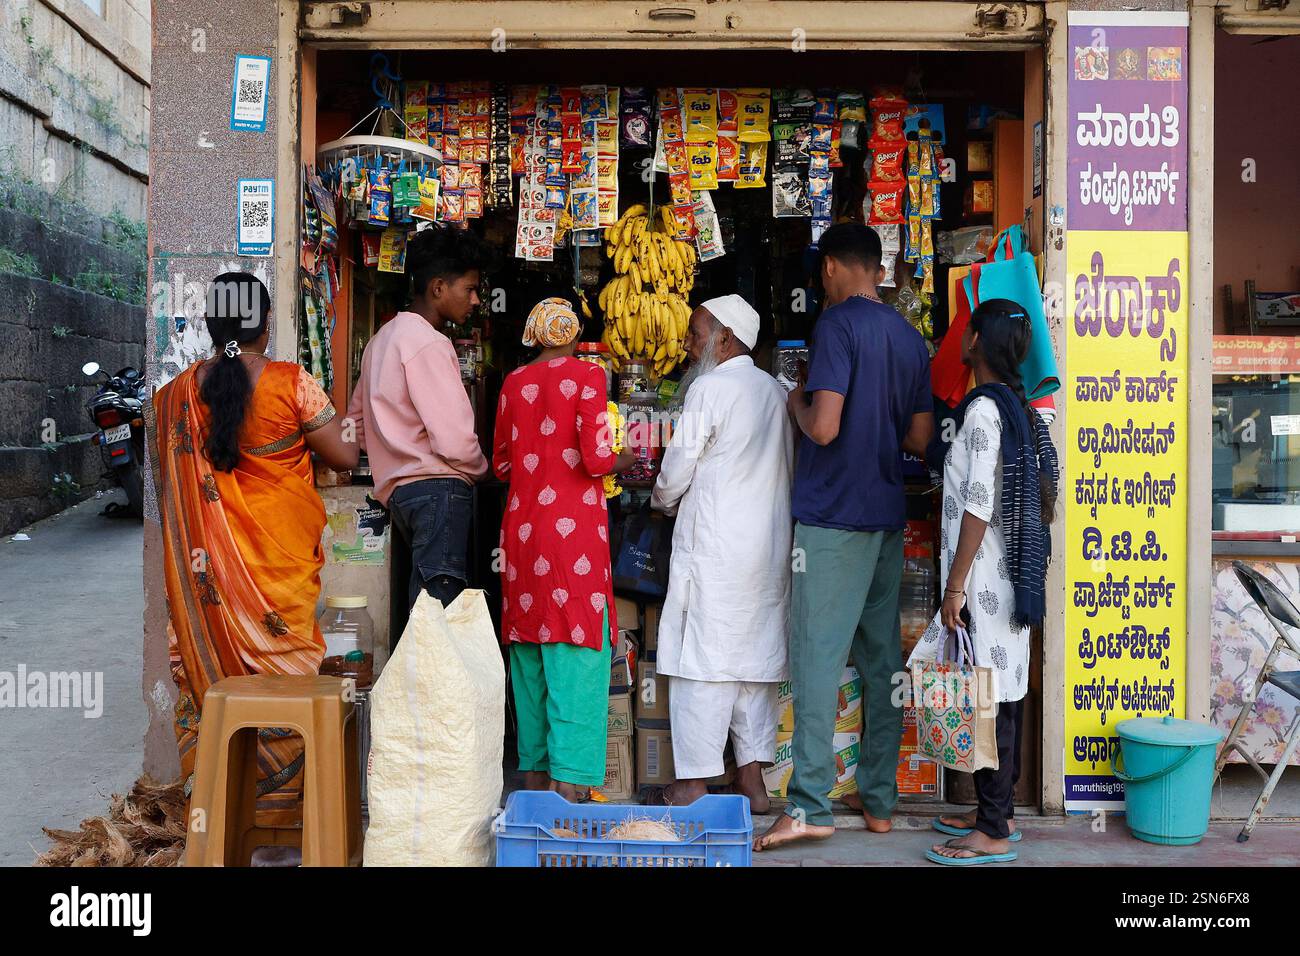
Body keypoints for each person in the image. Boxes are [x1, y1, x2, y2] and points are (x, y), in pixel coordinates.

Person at [152, 272, 358, 824]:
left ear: (211, 324)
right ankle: (281, 825)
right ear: (265, 323)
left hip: (206, 585)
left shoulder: (172, 398)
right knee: (285, 694)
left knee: (211, 692)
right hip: (279, 585)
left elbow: (172, 488)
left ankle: (216, 820)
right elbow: (342, 455)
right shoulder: (292, 384)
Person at [755, 223, 934, 852]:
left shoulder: (835, 326)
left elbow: (824, 428)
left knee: (816, 661)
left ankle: (808, 804)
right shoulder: (911, 340)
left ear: (831, 267)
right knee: (882, 662)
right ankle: (880, 800)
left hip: (832, 523)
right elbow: (918, 440)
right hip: (886, 518)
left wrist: (795, 402)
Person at [909, 298, 1059, 865]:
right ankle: (999, 814)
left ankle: (992, 829)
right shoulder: (1020, 407)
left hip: (982, 580)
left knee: (986, 700)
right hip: (1013, 578)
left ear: (975, 342)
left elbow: (976, 504)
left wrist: (954, 587)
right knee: (1005, 693)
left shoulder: (981, 413)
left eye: (965, 332)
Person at [646, 295, 793, 812]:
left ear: (725, 338)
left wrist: (660, 500)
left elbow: (675, 471)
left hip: (715, 546)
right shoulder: (775, 392)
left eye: (695, 332)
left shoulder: (709, 388)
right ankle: (752, 782)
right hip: (767, 548)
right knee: (752, 664)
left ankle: (693, 782)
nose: (688, 343)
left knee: (701, 663)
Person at [493, 297, 635, 801]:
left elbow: (503, 466)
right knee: (576, 648)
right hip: (573, 532)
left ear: (534, 335)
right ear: (574, 337)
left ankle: (532, 782)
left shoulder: (512, 384)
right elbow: (597, 459)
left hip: (523, 535)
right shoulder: (588, 378)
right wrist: (627, 458)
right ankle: (570, 788)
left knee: (530, 651)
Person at [346, 225, 490, 643]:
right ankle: (427, 705)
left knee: (422, 611)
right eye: (470, 288)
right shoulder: (427, 342)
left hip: (400, 495)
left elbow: (354, 424)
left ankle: (414, 700)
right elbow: (454, 439)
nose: (476, 299)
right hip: (439, 491)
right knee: (436, 621)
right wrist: (482, 467)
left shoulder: (381, 340)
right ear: (439, 287)